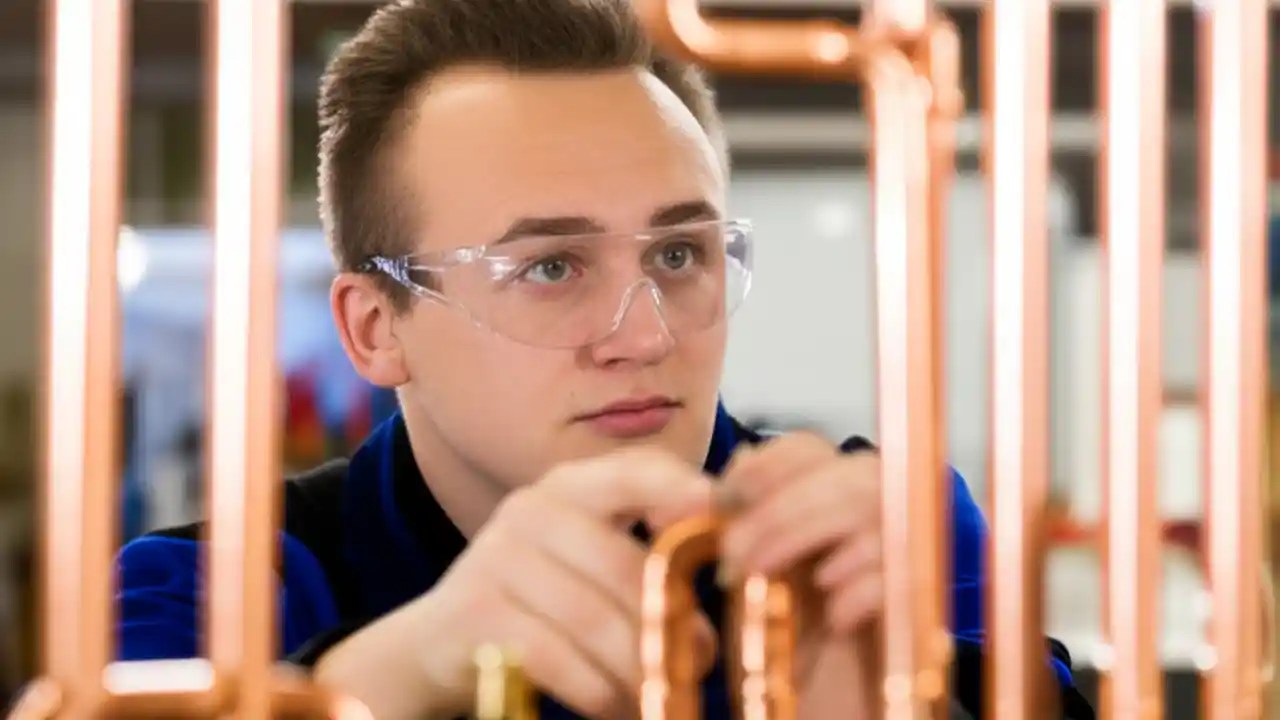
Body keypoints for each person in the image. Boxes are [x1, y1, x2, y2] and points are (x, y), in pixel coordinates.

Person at [114, 1, 1093, 718]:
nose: (645, 334)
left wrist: (885, 694)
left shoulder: (878, 532)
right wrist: (403, 669)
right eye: (548, 266)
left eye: (677, 254)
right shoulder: (213, 588)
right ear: (376, 328)